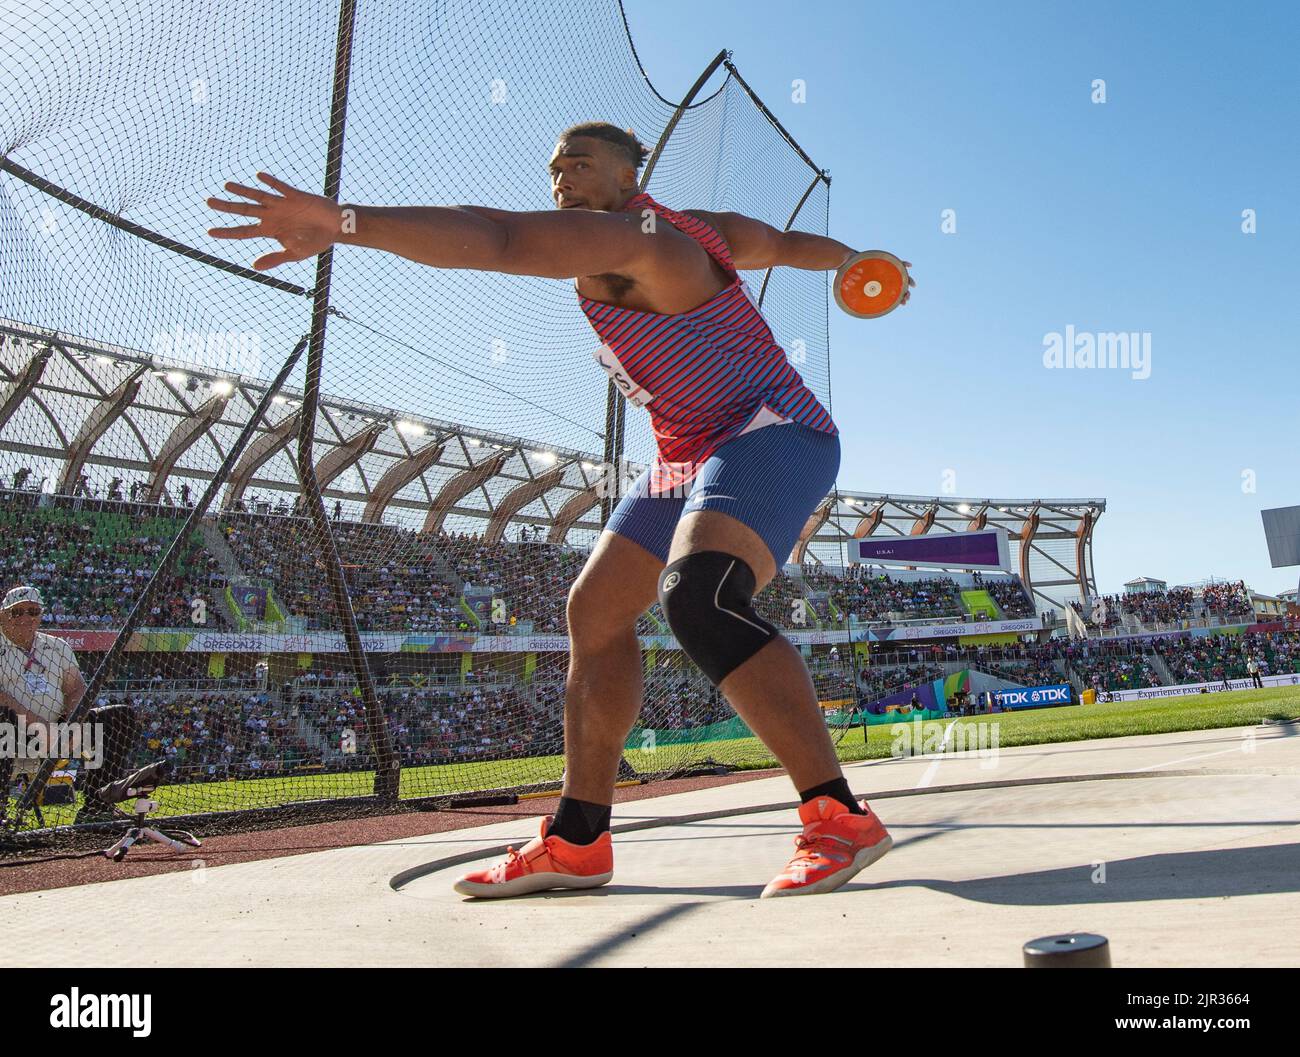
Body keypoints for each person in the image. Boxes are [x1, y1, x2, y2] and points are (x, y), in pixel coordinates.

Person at [207, 121, 913, 899]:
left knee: (700, 597)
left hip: (771, 430)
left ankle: (837, 815)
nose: (562, 180)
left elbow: (500, 237)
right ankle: (578, 840)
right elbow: (779, 243)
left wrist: (347, 223)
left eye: (579, 165)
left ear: (628, 175)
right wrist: (856, 260)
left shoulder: (649, 243)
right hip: (688, 451)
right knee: (595, 610)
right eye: (553, 169)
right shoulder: (697, 230)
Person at [0, 586, 138, 823]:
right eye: (17, 612)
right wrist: (41, 727)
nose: (25, 618)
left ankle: (97, 807)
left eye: (32, 611)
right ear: (3, 615)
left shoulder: (57, 646)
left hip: (61, 731)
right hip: (14, 735)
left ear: (41, 615)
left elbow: (76, 689)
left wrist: (72, 723)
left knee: (119, 716)